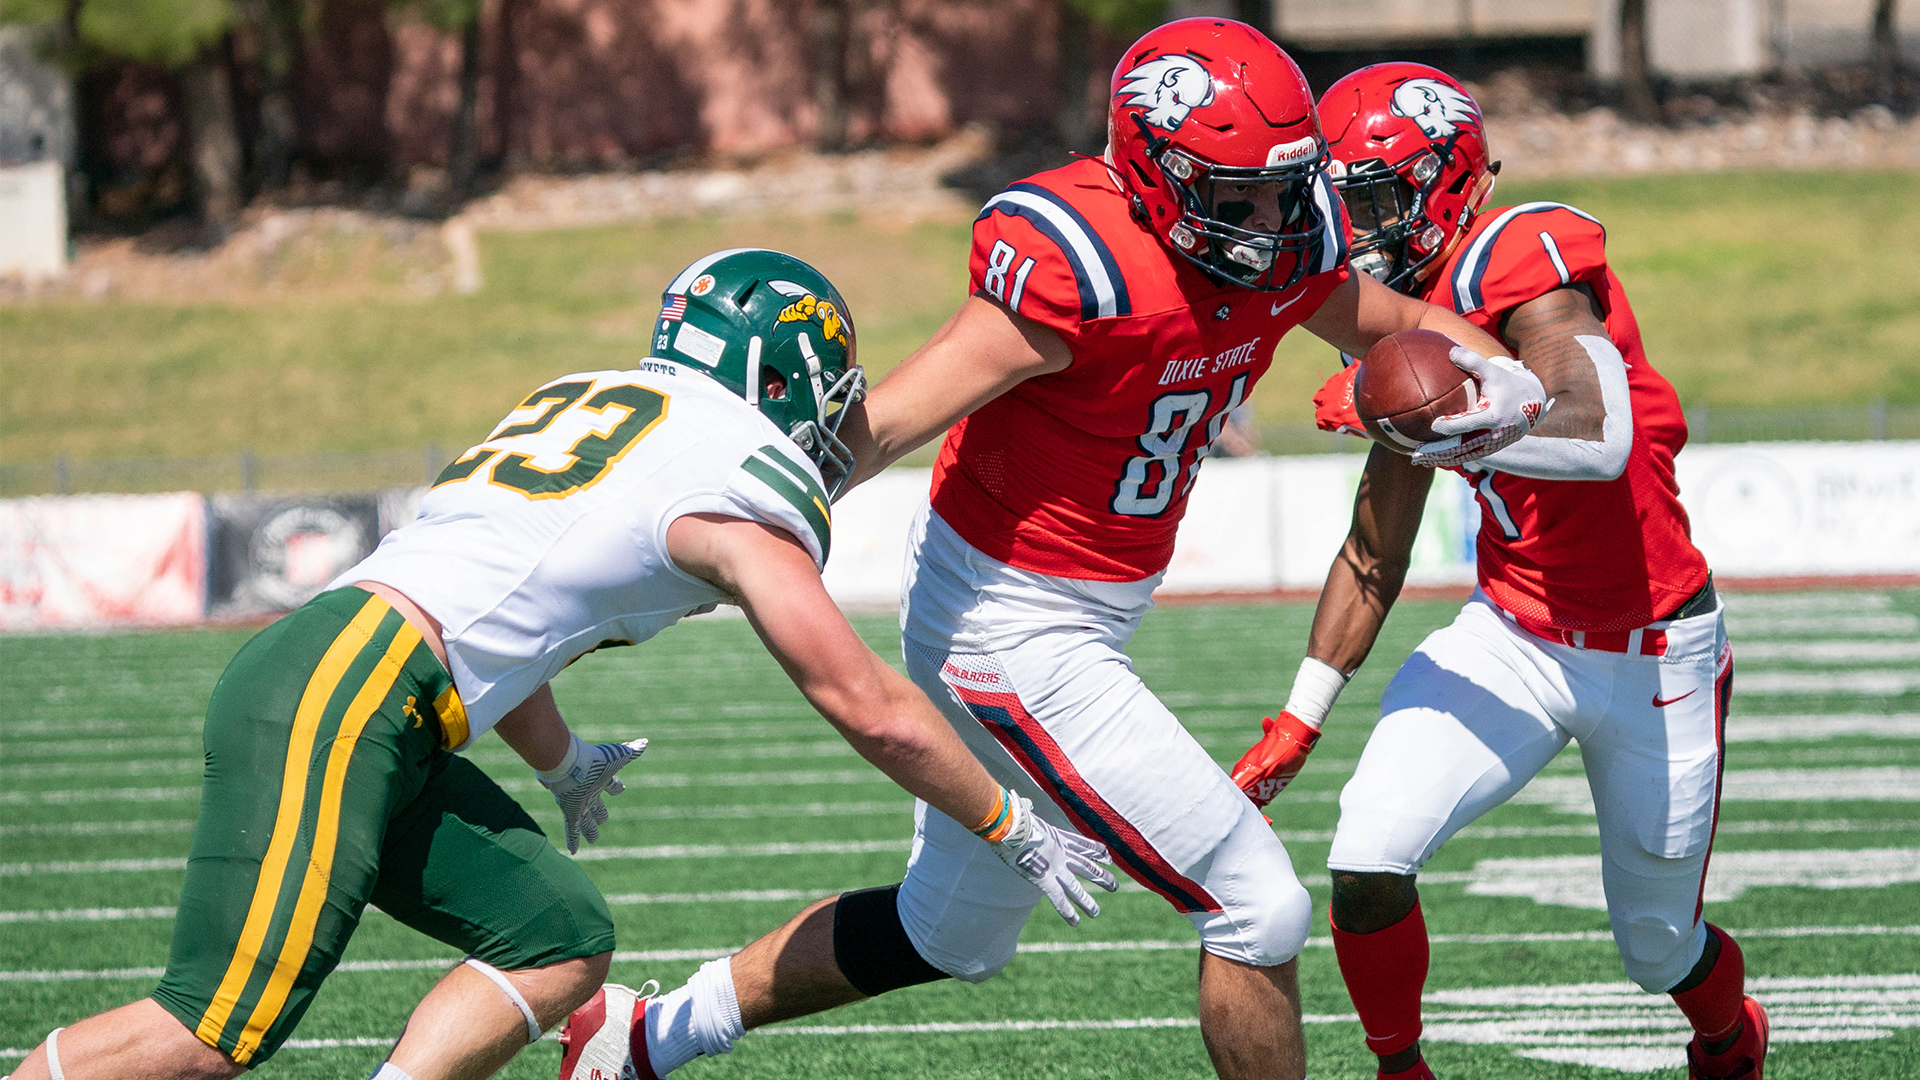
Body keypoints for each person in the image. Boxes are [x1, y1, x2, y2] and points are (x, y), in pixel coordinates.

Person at [569, 20, 1549, 1080]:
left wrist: (1506, 387)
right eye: (1238, 196)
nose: (1271, 221)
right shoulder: (1080, 267)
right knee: (1257, 905)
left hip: (1084, 611)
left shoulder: (1285, 247)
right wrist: (715, 536)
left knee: (949, 933)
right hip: (1007, 621)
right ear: (1158, 175)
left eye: (1282, 189)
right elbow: (884, 427)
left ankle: (642, 1038)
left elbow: (1403, 323)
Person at [6, 249, 1112, 1080]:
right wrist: (1006, 821)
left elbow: (498, 615)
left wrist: (564, 760)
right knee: (208, 1032)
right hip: (349, 695)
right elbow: (863, 702)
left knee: (558, 939)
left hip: (363, 678)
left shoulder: (594, 402)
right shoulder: (736, 474)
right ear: (781, 379)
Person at [1227, 64, 1764, 1080]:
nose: (1359, 227)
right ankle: (1401, 1069)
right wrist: (1300, 718)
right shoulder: (1404, 320)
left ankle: (1731, 1036)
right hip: (1514, 632)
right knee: (1367, 854)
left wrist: (1429, 427)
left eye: (1375, 200)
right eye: (1344, 203)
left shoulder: (1523, 257)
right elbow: (1374, 551)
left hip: (1655, 648)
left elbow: (1594, 436)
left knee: (1657, 947)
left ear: (1446, 181)